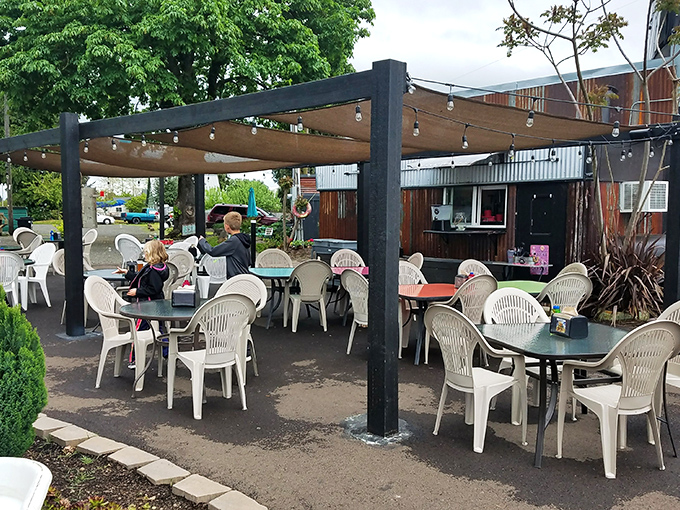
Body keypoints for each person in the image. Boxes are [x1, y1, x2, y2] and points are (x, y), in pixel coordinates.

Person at [197, 211, 250, 278]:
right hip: (244, 276)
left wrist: (202, 241)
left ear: (227, 227)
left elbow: (212, 251)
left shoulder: (234, 241)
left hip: (236, 278)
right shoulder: (243, 239)